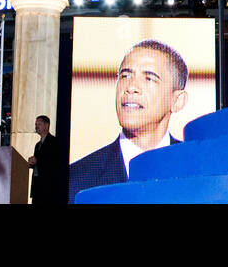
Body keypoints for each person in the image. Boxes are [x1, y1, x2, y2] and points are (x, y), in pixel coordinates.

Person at [67, 40, 188, 202]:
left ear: (177, 101)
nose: (131, 87)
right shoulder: (76, 180)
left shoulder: (201, 171)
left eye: (149, 78)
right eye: (125, 76)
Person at [27, 114, 65, 205]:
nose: (36, 127)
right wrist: (31, 164)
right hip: (37, 187)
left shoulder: (54, 142)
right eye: (35, 124)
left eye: (38, 124)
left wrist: (38, 161)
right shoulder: (37, 145)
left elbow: (54, 163)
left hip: (48, 188)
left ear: (46, 125)